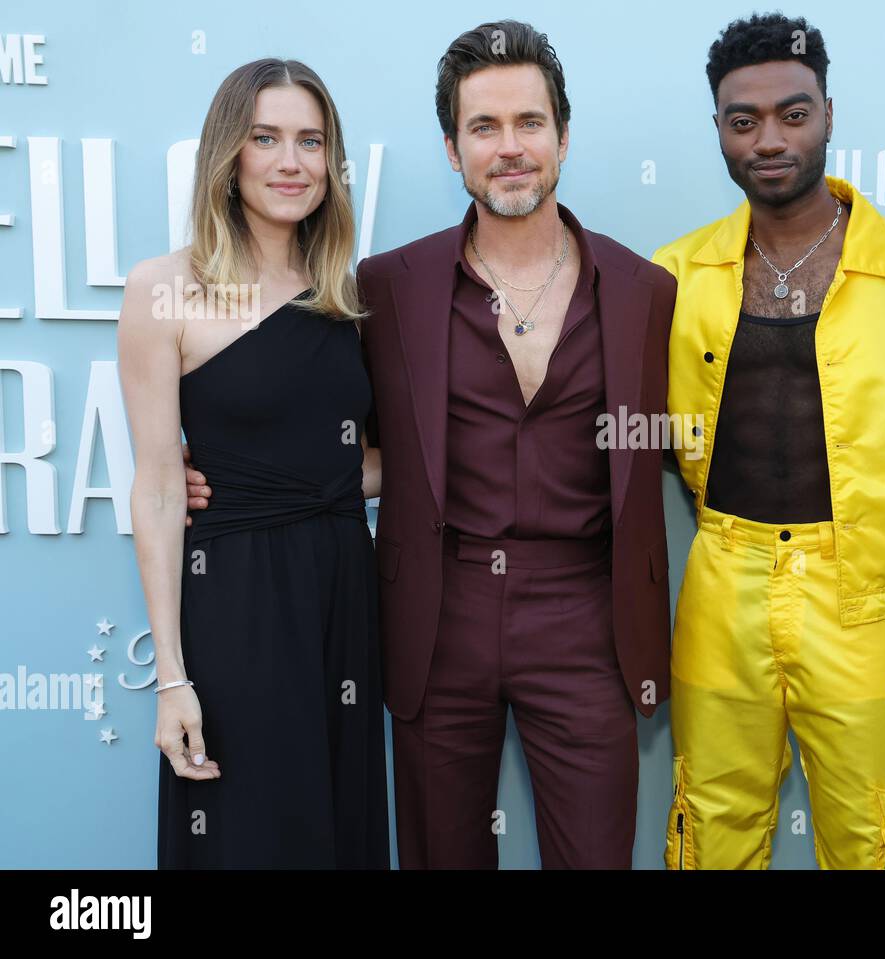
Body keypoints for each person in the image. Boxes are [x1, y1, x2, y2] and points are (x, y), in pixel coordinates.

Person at [190, 22, 676, 868]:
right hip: (434, 619)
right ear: (453, 150)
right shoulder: (385, 287)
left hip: (588, 623)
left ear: (564, 135)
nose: (510, 147)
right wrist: (222, 476)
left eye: (529, 123)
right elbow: (333, 432)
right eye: (483, 128)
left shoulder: (645, 291)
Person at [652, 12, 885, 869]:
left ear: (830, 114)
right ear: (719, 130)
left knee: (877, 832)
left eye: (793, 114)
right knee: (708, 823)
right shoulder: (671, 277)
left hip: (866, 595)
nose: (770, 138)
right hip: (723, 577)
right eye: (743, 120)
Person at [120, 58, 389, 868]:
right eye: (265, 138)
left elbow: (369, 466)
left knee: (336, 826)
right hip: (233, 598)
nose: (290, 161)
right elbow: (161, 488)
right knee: (246, 828)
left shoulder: (344, 294)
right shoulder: (164, 288)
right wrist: (171, 677)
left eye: (311, 141)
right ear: (227, 154)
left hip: (344, 593)